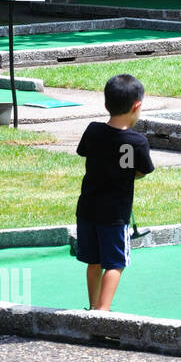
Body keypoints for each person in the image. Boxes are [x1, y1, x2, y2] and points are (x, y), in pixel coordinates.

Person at [74, 74, 153, 312]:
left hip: (87, 209)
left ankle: (92, 308)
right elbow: (141, 171)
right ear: (136, 106)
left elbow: (86, 152)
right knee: (116, 264)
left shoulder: (93, 130)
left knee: (94, 261)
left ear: (107, 103)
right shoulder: (137, 142)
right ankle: (103, 312)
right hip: (115, 215)